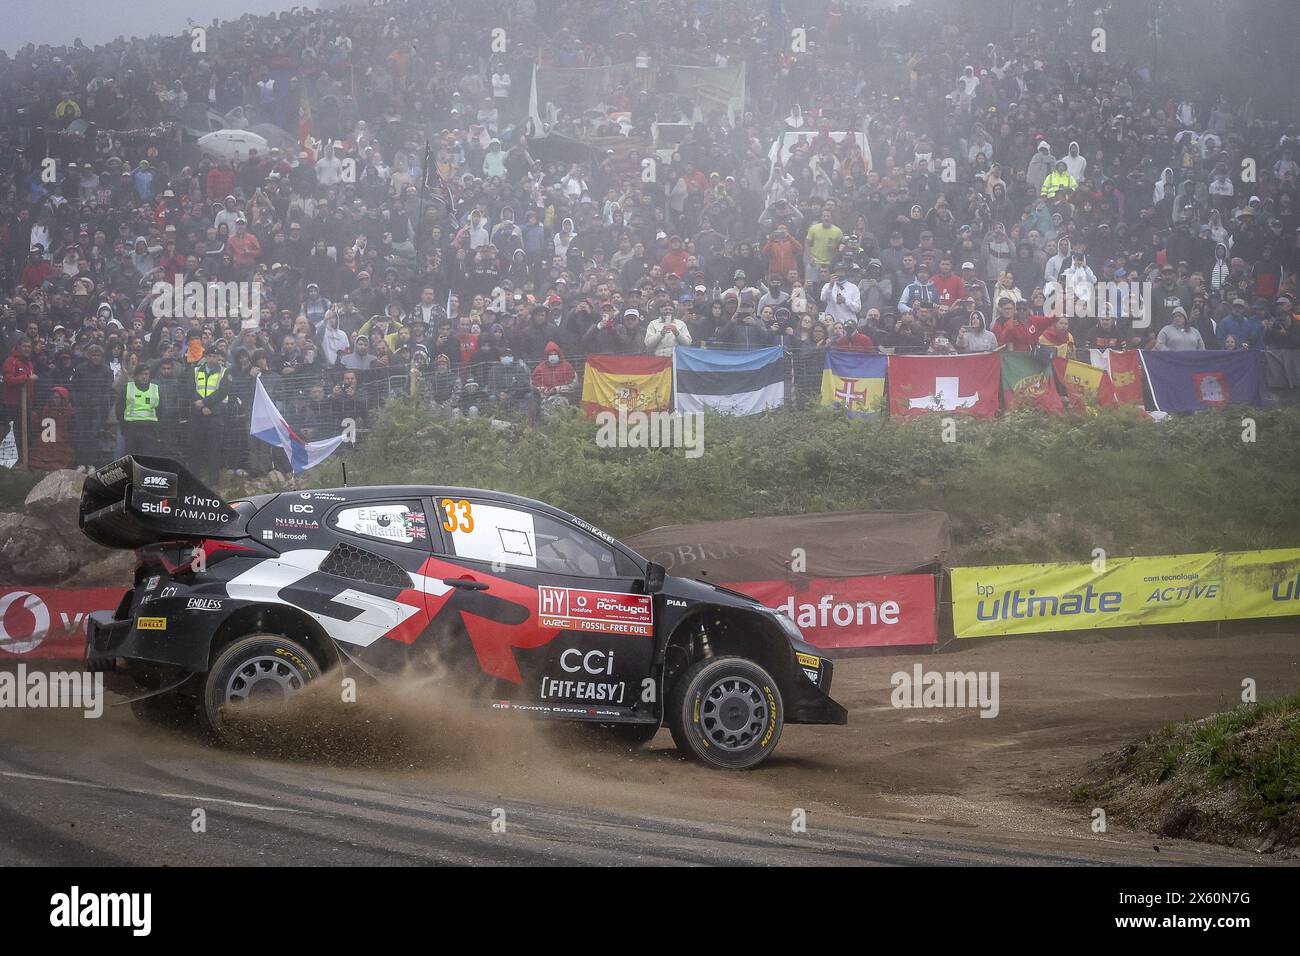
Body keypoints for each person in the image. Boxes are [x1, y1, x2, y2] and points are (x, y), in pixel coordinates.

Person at [117, 363, 161, 456]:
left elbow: (161, 410)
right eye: (141, 374)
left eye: (146, 374)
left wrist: (157, 429)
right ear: (136, 375)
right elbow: (119, 408)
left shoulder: (156, 389)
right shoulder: (127, 388)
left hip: (150, 428)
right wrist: (124, 428)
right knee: (132, 456)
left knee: (148, 457)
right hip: (131, 427)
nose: (144, 377)